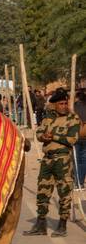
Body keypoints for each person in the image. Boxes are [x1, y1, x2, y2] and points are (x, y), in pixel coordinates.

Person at [25, 87, 80, 236]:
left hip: (63, 160)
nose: (64, 106)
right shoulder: (48, 118)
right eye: (61, 104)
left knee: (64, 193)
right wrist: (44, 137)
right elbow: (39, 133)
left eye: (65, 103)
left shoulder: (73, 119)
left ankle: (62, 225)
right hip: (47, 160)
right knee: (43, 192)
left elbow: (72, 139)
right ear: (54, 105)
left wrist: (53, 136)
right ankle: (40, 224)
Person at [74, 83, 86, 189]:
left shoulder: (75, 107)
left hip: (78, 135)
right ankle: (81, 181)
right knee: (84, 158)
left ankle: (77, 182)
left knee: (77, 159)